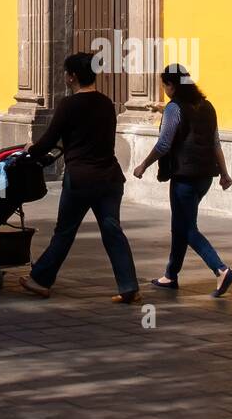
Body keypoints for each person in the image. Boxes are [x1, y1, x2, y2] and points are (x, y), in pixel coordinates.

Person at [18, 52, 141, 304]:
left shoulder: (68, 105)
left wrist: (30, 149)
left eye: (65, 72)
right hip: (109, 177)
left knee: (64, 232)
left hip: (81, 179)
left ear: (72, 76)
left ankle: (39, 280)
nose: (64, 76)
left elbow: (49, 141)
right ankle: (129, 286)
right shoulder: (107, 103)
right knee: (112, 231)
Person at [134, 64, 232, 298]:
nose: (165, 90)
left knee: (186, 227)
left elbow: (163, 144)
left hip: (185, 176)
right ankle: (170, 275)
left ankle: (220, 269)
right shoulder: (207, 106)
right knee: (180, 224)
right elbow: (215, 143)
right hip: (205, 177)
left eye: (165, 85)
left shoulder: (174, 108)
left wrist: (143, 165)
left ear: (172, 85)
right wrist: (224, 173)